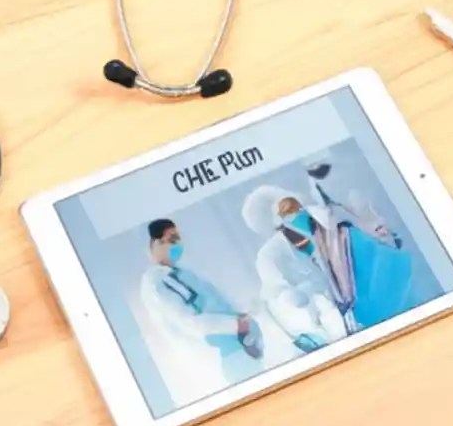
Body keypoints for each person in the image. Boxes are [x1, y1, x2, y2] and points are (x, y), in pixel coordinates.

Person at [241, 161, 414, 352]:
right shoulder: (273, 253)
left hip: (377, 294)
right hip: (359, 308)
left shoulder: (324, 214)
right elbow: (284, 295)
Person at [139, 218, 263, 385]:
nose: (178, 244)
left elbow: (217, 303)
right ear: (155, 244)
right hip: (225, 351)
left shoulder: (182, 273)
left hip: (238, 345)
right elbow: (189, 321)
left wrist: (244, 321)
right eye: (172, 239)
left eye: (178, 238)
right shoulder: (158, 281)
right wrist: (238, 325)